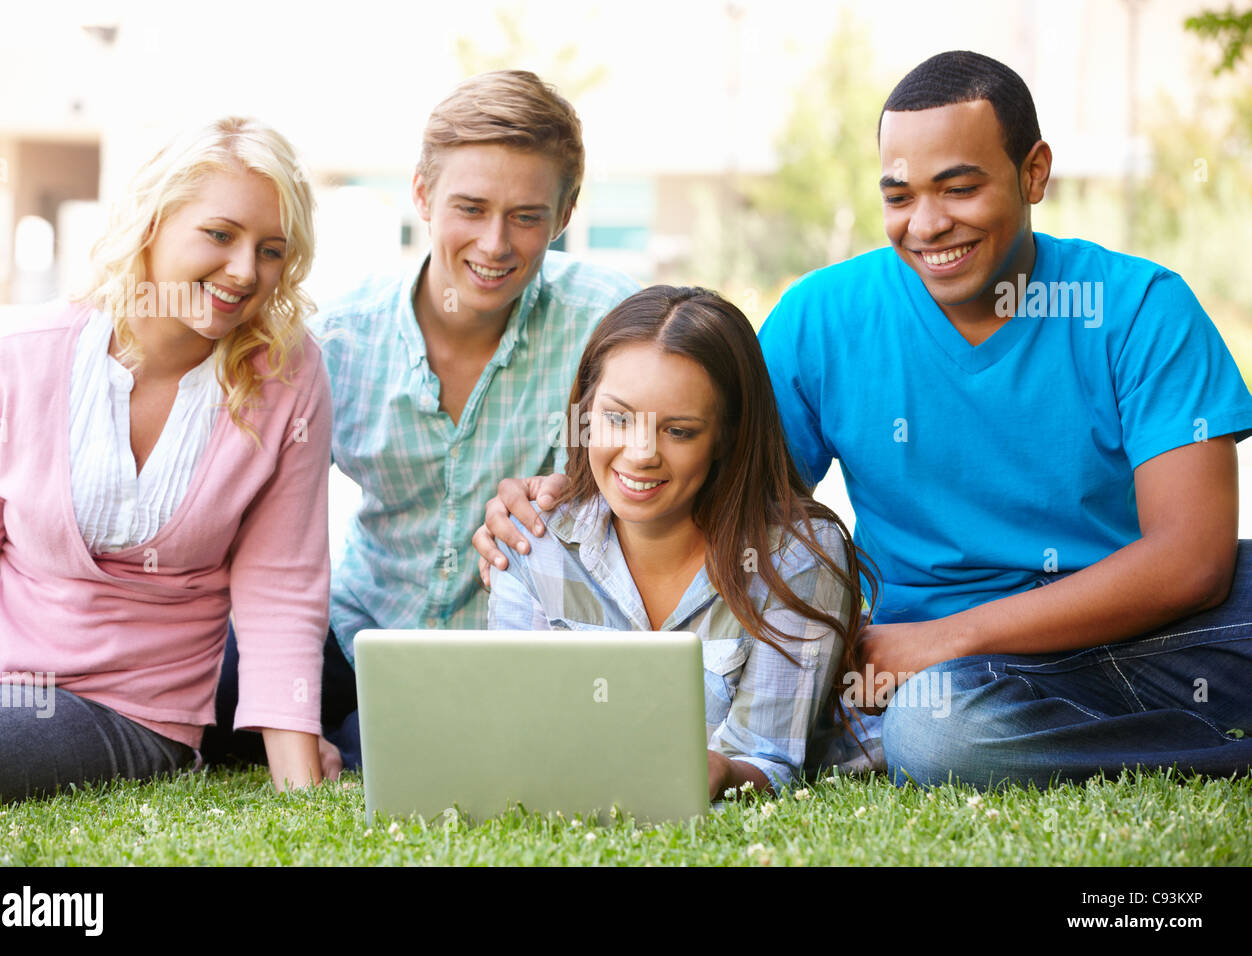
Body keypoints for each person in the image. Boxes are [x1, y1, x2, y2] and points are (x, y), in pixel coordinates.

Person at [476, 51, 1252, 789]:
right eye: (899, 195)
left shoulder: (1143, 307)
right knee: (936, 739)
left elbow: (1192, 560)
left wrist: (952, 633)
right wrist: (570, 494)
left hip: (1156, 629)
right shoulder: (824, 318)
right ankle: (1214, 749)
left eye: (959, 187)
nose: (927, 222)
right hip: (961, 684)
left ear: (1034, 172)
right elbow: (722, 479)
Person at [203, 71, 637, 771]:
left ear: (565, 216)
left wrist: (578, 494)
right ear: (422, 195)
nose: (495, 244)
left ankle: (363, 737)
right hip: (354, 633)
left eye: (527, 216)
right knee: (206, 695)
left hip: (515, 651)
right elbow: (246, 521)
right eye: (470, 207)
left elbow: (683, 468)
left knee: (412, 755)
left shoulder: (611, 326)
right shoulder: (341, 340)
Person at [0, 117, 332, 803]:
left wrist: (302, 788)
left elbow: (281, 586)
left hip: (133, 714)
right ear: (152, 225)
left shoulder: (288, 376)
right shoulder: (18, 357)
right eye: (220, 235)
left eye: (270, 250)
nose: (246, 271)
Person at [489, 286, 873, 799]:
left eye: (679, 430)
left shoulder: (796, 558)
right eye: (617, 418)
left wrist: (726, 772)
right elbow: (514, 735)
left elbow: (769, 758)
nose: (641, 454)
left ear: (727, 436)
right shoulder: (532, 540)